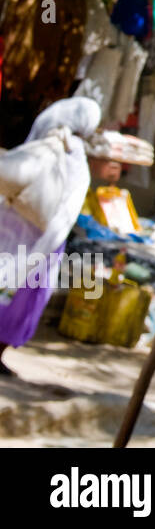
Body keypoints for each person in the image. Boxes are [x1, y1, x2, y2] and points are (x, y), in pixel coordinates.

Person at [0, 98, 101, 377]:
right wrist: (48, 245)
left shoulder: (41, 143)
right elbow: (68, 209)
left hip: (9, 231)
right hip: (42, 238)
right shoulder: (74, 153)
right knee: (23, 299)